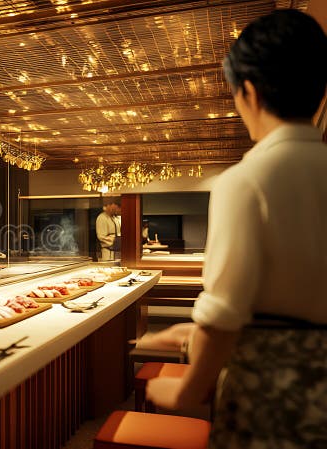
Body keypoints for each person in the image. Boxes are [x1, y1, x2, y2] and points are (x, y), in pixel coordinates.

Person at [146, 10, 327, 449]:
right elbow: (291, 308)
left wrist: (184, 391)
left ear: (249, 91)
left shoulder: (245, 181)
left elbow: (225, 318)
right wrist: (189, 332)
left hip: (273, 395)